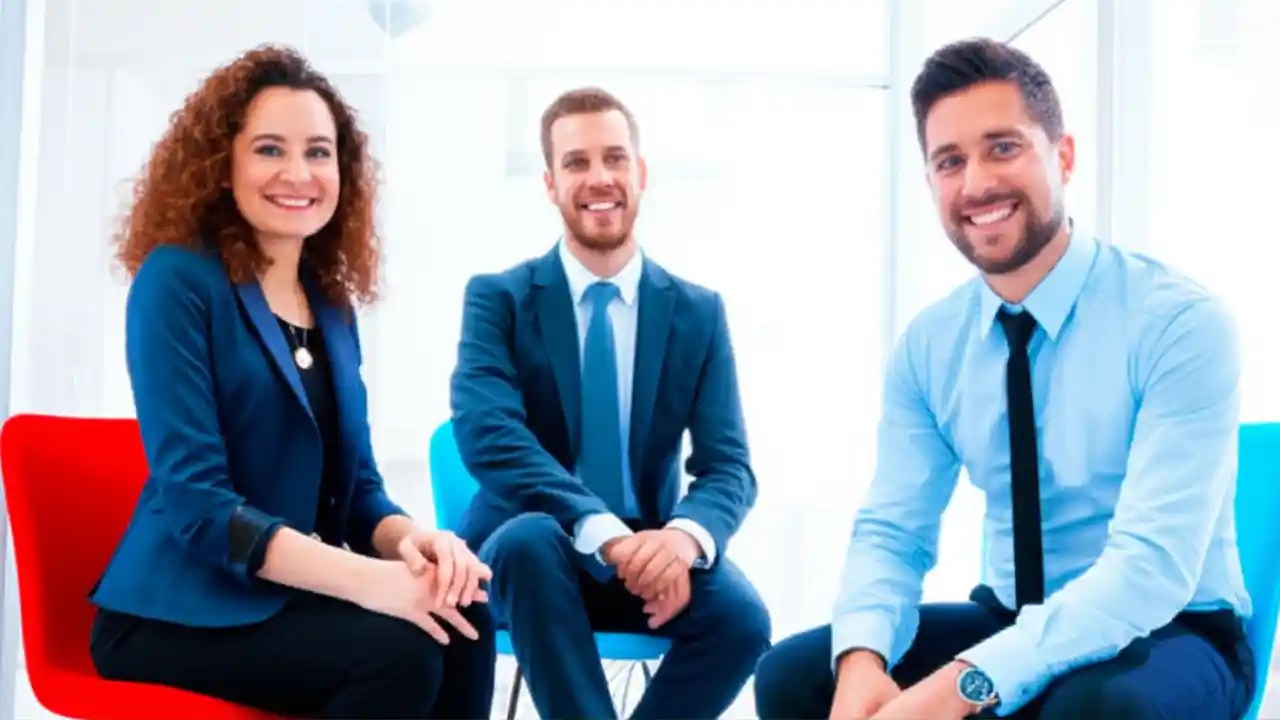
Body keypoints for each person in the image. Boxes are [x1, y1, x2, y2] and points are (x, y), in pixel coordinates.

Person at [754, 37, 1255, 720]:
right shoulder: (931, 346)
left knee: (1096, 710)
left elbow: (1147, 571)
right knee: (794, 677)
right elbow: (893, 532)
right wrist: (863, 660)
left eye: (1003, 147)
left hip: (1168, 630)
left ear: (1064, 156)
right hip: (1012, 615)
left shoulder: (1178, 323)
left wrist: (963, 683)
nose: (977, 183)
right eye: (949, 161)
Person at [88, 45, 496, 719]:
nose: (298, 173)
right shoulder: (177, 280)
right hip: (174, 611)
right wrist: (373, 583)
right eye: (270, 149)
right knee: (399, 651)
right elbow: (199, 504)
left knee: (466, 622)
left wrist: (413, 544)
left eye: (319, 152)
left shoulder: (329, 303)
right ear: (224, 163)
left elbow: (358, 488)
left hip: (277, 602)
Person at [448, 86, 771, 719]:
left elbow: (728, 465)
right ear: (550, 183)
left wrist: (681, 540)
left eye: (615, 158)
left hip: (649, 559)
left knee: (743, 620)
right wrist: (605, 534)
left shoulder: (698, 313)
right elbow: (489, 435)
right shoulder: (498, 299)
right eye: (576, 163)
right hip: (528, 563)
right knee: (530, 540)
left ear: (640, 173)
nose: (599, 178)